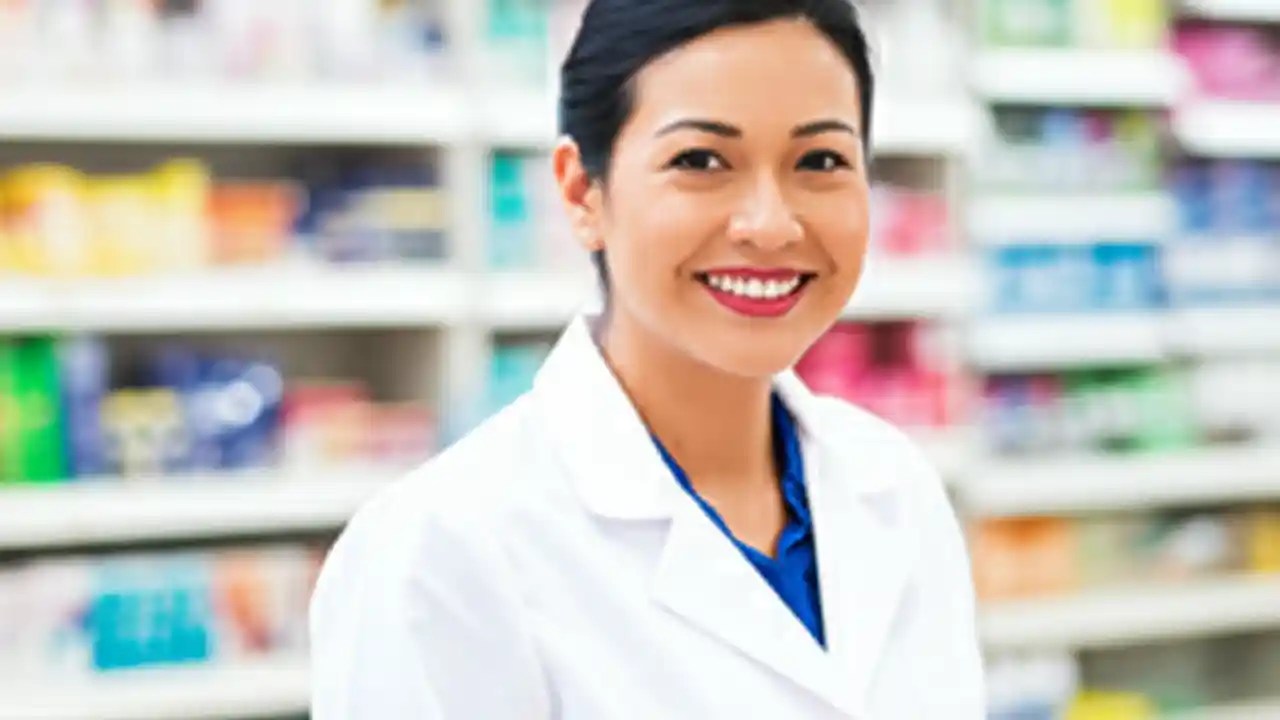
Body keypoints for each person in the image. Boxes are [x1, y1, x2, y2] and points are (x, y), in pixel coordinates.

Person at [309, 0, 984, 717]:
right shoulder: (440, 551)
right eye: (700, 161)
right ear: (581, 193)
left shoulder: (897, 489)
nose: (770, 224)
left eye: (820, 160)